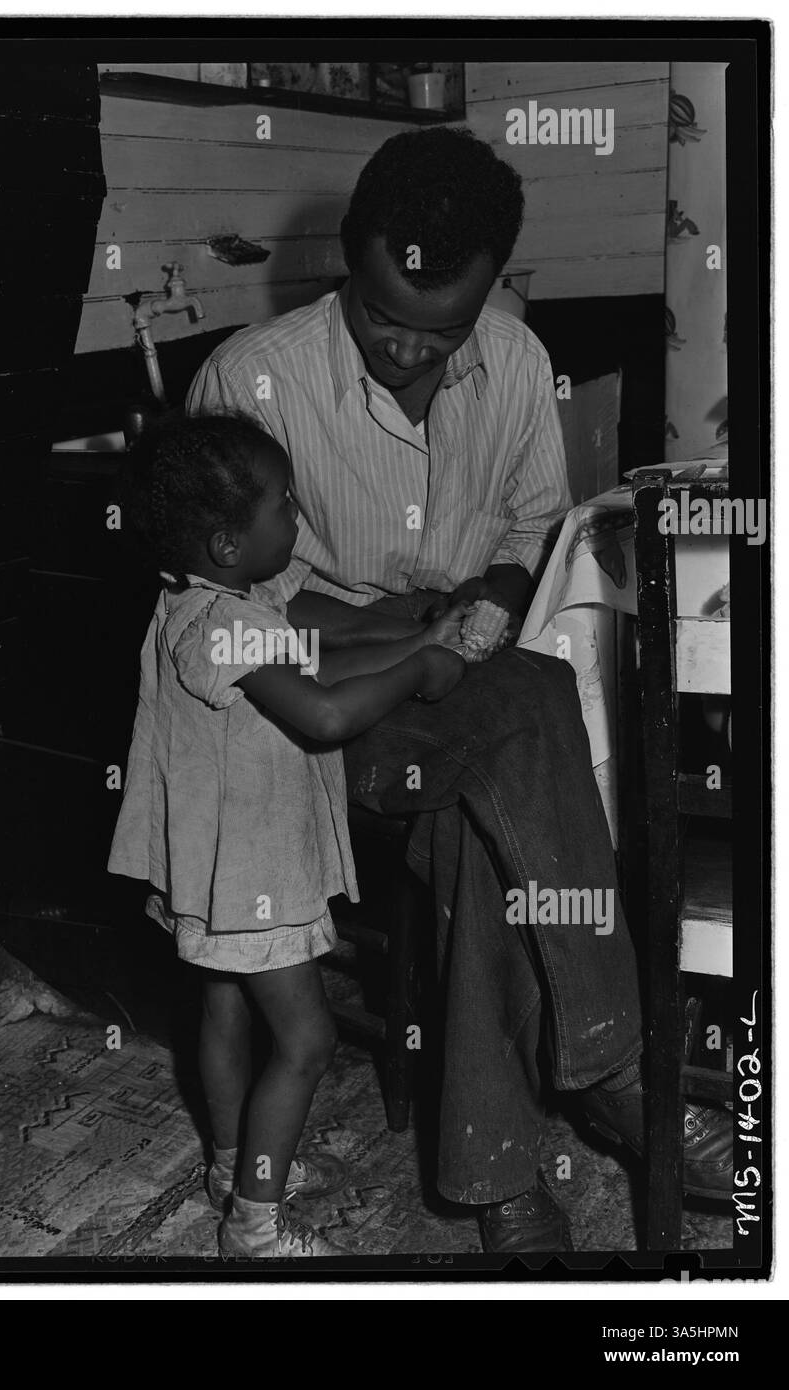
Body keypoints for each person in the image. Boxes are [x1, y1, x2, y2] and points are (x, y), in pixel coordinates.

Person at [187, 126, 732, 1252]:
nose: (406, 351)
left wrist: (486, 598)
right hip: (304, 717)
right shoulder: (249, 381)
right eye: (382, 317)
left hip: (455, 697)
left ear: (494, 287)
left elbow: (531, 532)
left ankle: (498, 1173)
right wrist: (412, 625)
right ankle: (613, 1069)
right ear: (348, 257)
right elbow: (240, 613)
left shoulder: (520, 364)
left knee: (479, 825)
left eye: (443, 331)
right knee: (530, 703)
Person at [107, 412, 470, 1257]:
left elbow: (312, 655)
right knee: (308, 1041)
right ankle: (254, 1228)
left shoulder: (208, 600)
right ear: (229, 542)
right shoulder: (220, 626)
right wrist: (420, 668)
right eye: (285, 503)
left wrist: (413, 633)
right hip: (254, 874)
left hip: (213, 866)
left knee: (225, 1007)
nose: (299, 514)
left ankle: (234, 1165)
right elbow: (325, 711)